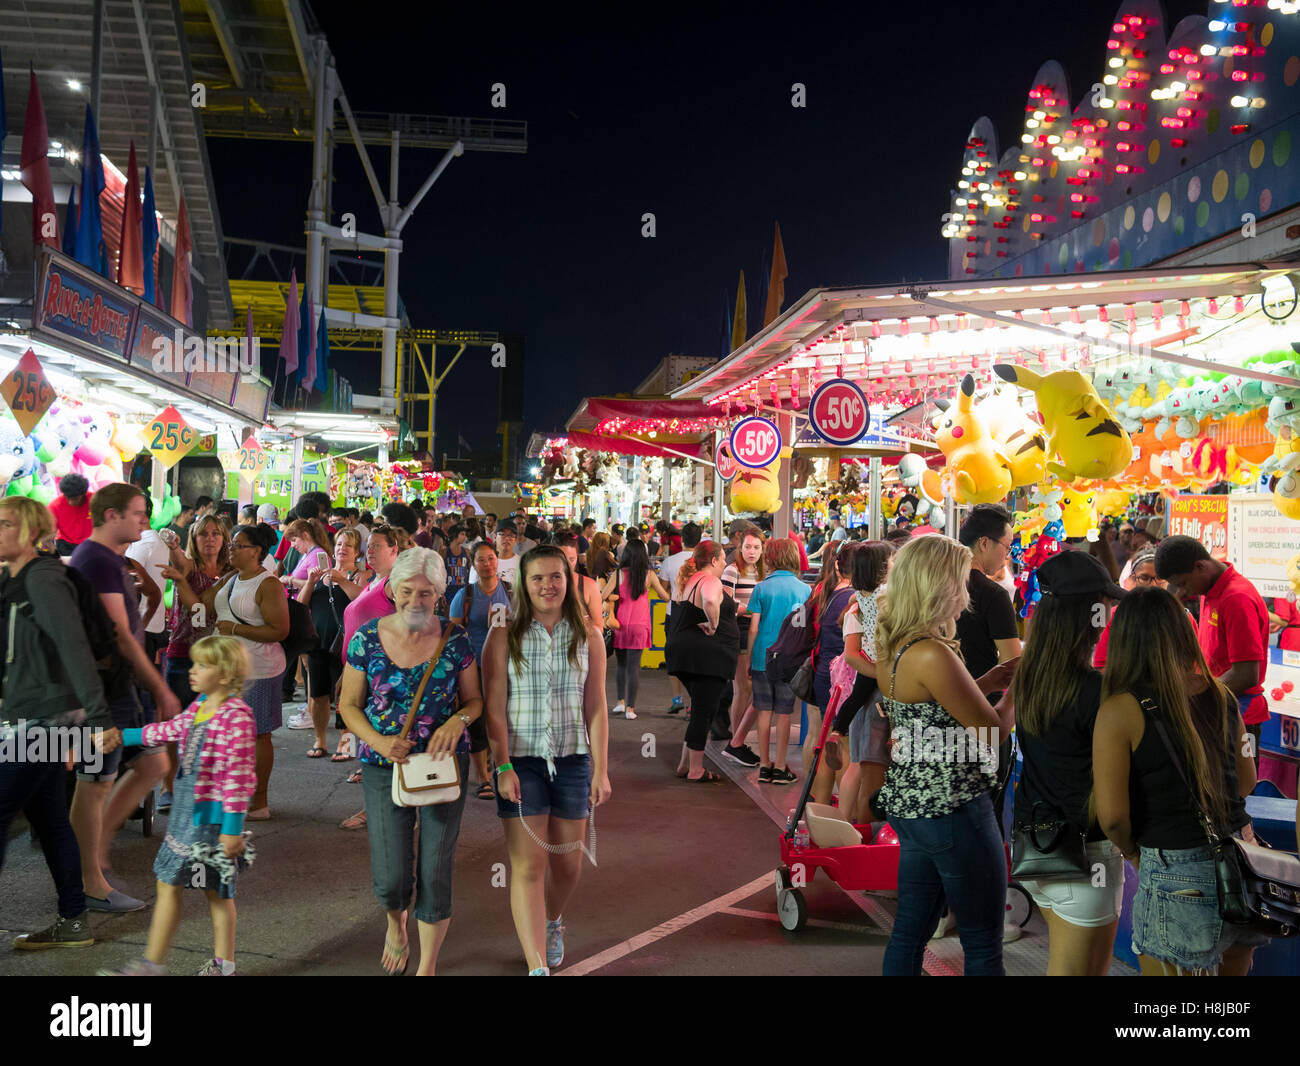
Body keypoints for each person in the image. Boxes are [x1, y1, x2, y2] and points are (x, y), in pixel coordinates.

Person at [1093, 586, 1263, 976]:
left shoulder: (1120, 709)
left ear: (1123, 642)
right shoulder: (1221, 696)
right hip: (1240, 856)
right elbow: (1246, 780)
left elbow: (1113, 816)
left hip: (1174, 863)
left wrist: (1136, 854)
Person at [876, 535, 1016, 976]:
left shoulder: (894, 645)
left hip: (912, 804)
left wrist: (990, 680)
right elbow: (993, 732)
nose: (966, 593)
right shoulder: (934, 652)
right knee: (982, 942)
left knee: (909, 932)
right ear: (939, 586)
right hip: (954, 805)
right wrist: (1019, 687)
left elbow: (928, 712)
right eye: (962, 581)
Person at [337, 548, 481, 975]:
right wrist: (379, 743)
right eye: (407, 591)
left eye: (426, 593)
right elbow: (348, 705)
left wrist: (458, 720)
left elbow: (473, 701)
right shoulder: (366, 638)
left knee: (435, 867)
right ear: (393, 591)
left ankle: (428, 966)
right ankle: (395, 925)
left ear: (439, 594)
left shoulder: (456, 640)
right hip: (385, 765)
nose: (416, 601)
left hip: (442, 763)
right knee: (392, 869)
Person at [0, 497, 122, 950]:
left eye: (6, 524)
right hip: (34, 717)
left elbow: (74, 648)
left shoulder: (44, 579)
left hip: (46, 720)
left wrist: (100, 718)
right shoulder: (11, 581)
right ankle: (73, 921)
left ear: (31, 532)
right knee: (50, 819)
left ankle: (74, 918)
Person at [482, 545, 611, 975]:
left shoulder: (589, 635)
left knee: (569, 863)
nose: (547, 585)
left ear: (568, 579)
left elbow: (596, 707)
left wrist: (602, 769)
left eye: (555, 576)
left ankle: (553, 920)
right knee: (528, 864)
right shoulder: (503, 635)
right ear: (523, 584)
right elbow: (494, 709)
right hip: (521, 762)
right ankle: (537, 965)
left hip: (573, 759)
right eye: (537, 578)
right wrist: (501, 766)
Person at [97, 636, 255, 976]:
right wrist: (123, 737)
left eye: (202, 665)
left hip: (211, 823)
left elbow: (239, 779)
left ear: (225, 675)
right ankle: (155, 966)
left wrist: (230, 829)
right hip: (187, 816)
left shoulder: (236, 717)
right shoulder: (201, 705)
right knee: (177, 885)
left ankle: (216, 967)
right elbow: (169, 730)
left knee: (214, 892)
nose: (192, 671)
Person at [1011, 552, 1127, 976]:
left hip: (1039, 847)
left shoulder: (1031, 675)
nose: (1109, 612)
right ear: (1089, 614)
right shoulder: (1096, 691)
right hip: (1086, 854)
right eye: (1104, 604)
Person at [69, 484, 181, 912]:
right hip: (106, 688)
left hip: (122, 687)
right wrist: (157, 684)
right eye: (137, 513)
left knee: (152, 763)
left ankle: (96, 854)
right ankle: (88, 877)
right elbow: (119, 632)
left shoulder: (112, 560)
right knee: (94, 781)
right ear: (111, 515)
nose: (144, 519)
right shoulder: (95, 559)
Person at [170, 524, 288, 820]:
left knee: (258, 735)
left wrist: (235, 628)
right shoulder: (230, 579)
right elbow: (200, 608)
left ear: (257, 552)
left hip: (259, 670)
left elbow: (280, 630)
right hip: (229, 673)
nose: (231, 550)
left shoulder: (267, 584)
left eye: (238, 545)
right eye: (232, 545)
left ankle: (259, 802)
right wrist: (179, 583)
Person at [1155, 535, 1270, 772]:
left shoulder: (1236, 598)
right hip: (1218, 709)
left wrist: (1195, 697)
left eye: (1184, 584)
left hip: (1240, 716)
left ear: (1200, 566)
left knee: (1236, 794)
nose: (1184, 592)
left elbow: (1246, 674)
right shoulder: (1211, 587)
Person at [158, 514, 232, 810]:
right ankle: (168, 786)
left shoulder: (232, 570)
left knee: (214, 725)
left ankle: (207, 785)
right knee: (174, 722)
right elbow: (179, 561)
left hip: (220, 658)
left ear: (225, 539)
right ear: (194, 538)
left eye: (216, 533)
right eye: (204, 534)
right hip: (183, 652)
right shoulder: (188, 565)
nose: (210, 539)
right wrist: (174, 545)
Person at [823, 541, 893, 822]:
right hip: (884, 666)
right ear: (882, 568)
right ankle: (867, 835)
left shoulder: (859, 597)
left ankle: (837, 730)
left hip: (868, 660)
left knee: (857, 697)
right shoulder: (888, 594)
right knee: (871, 776)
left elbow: (852, 652)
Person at [666, 541, 739, 782]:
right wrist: (714, 624)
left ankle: (685, 764)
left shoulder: (691, 579)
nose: (726, 563)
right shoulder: (710, 581)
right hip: (705, 658)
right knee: (703, 712)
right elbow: (709, 601)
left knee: (700, 708)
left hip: (686, 654)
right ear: (716, 560)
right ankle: (696, 769)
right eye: (723, 559)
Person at [295, 528, 370, 759]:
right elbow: (301, 604)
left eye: (348, 545)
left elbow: (363, 601)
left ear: (357, 552)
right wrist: (310, 582)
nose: (342, 549)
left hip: (346, 646)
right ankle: (320, 741)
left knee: (345, 696)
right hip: (319, 644)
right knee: (317, 695)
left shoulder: (361, 575)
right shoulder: (323, 574)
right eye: (338, 544)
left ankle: (345, 743)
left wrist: (341, 580)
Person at [449, 540, 514, 801]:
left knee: (500, 715)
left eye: (491, 559)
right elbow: (453, 632)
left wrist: (507, 623)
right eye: (481, 560)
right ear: (473, 565)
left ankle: (499, 767)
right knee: (476, 718)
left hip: (505, 664)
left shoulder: (510, 591)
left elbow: (523, 625)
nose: (487, 564)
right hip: (473, 664)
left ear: (497, 561)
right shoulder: (465, 595)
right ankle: (483, 777)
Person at [746, 538, 812, 785]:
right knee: (785, 713)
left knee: (763, 709)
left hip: (762, 656)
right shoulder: (805, 590)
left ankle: (764, 765)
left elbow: (753, 628)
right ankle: (781, 766)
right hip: (790, 659)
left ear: (770, 558)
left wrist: (750, 657)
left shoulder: (761, 588)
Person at [805, 542, 856, 775]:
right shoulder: (851, 598)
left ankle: (817, 798)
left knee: (820, 738)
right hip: (840, 679)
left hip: (823, 670)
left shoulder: (826, 590)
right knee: (839, 745)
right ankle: (837, 804)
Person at [610, 538, 671, 721]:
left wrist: (616, 597)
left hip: (620, 624)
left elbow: (603, 594)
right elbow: (665, 597)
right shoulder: (649, 575)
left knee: (620, 665)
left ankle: (620, 702)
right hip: (640, 625)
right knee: (633, 668)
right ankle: (631, 708)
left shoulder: (619, 573)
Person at [720, 527, 766, 767]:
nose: (752, 551)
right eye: (748, 547)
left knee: (750, 687)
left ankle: (738, 740)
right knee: (742, 688)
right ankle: (736, 740)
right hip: (738, 631)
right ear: (740, 548)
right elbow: (725, 602)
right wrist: (752, 610)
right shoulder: (731, 570)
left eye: (756, 547)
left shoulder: (763, 571)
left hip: (758, 632)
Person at [658, 522, 701, 715]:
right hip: (698, 614)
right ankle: (695, 702)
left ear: (682, 539)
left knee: (673, 657)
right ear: (700, 540)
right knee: (695, 658)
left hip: (673, 614)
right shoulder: (704, 561)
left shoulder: (670, 561)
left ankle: (677, 699)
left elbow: (662, 592)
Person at [1093, 546, 1159, 668]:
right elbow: (1100, 665)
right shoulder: (1112, 616)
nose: (1153, 584)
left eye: (1159, 578)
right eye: (1144, 578)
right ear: (1132, 578)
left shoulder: (1183, 617)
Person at [554, 531, 603, 624]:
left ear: (577, 557)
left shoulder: (589, 585)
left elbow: (598, 626)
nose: (567, 564)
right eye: (561, 559)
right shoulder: (541, 585)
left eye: (572, 559)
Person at [280, 517, 333, 596]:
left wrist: (290, 580)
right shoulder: (308, 554)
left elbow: (320, 585)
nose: (292, 545)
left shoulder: (318, 555)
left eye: (294, 540)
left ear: (305, 535)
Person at [49, 473, 93, 556]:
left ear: (84, 493)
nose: (71, 502)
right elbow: (50, 533)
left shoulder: (94, 501)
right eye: (67, 497)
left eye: (75, 498)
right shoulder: (55, 506)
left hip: (91, 544)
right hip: (66, 545)